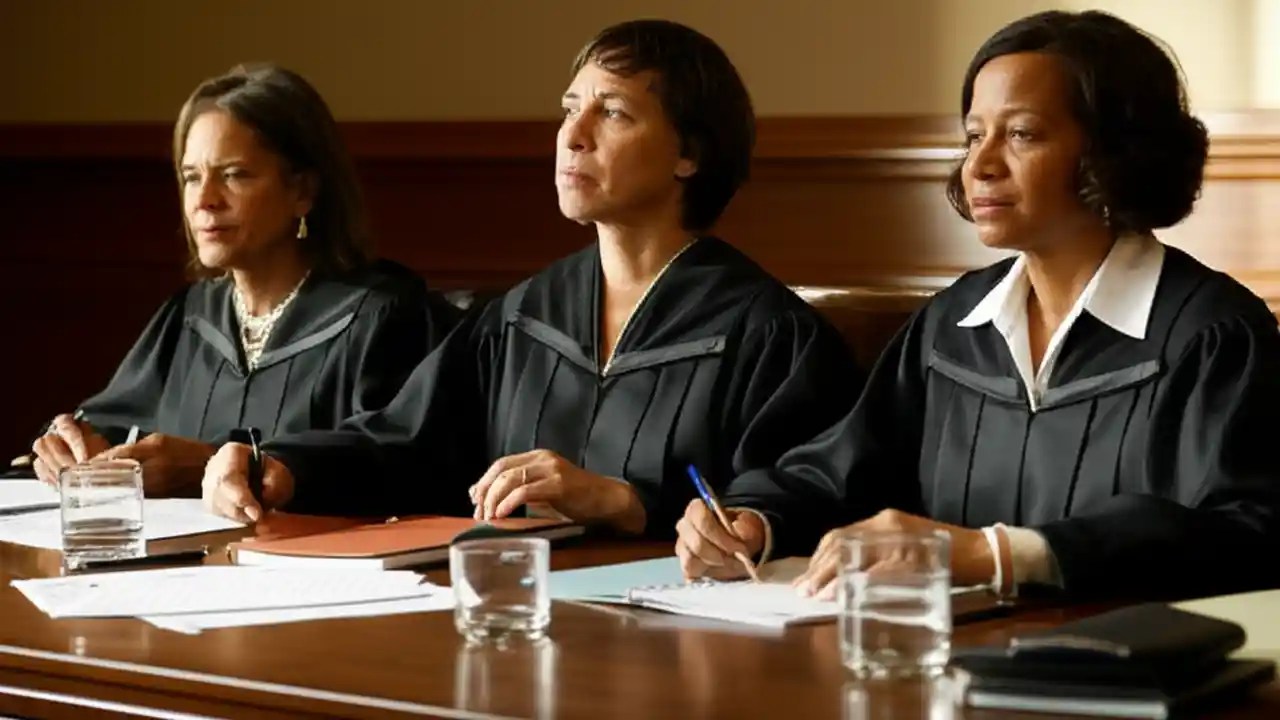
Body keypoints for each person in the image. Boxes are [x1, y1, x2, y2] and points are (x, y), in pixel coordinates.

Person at [201, 20, 864, 555]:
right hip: (516, 622)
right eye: (570, 109)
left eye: (613, 114)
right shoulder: (523, 315)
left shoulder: (767, 334)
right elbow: (404, 442)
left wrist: (628, 501)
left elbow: (803, 494)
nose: (572, 137)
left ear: (689, 153)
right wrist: (280, 465)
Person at [680, 10, 1280, 598]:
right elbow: (839, 470)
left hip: (1134, 678)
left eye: (1021, 134)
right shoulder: (953, 325)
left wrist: (996, 556)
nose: (981, 164)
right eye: (973, 135)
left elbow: (1249, 534)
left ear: (1113, 152)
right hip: (949, 663)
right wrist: (754, 523)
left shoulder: (1211, 336)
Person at [29, 64, 457, 496]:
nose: (204, 200)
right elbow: (109, 421)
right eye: (191, 176)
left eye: (233, 175)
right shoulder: (190, 319)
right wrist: (68, 442)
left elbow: (398, 461)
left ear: (303, 191)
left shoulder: (381, 317)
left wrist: (223, 466)